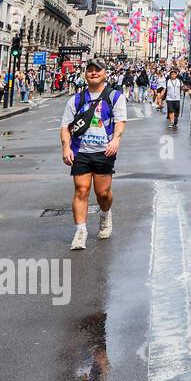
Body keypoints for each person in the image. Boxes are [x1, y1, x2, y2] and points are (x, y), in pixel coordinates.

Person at [60, 60, 127, 251]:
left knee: (103, 193)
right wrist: (66, 148)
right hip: (80, 151)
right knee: (81, 190)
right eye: (89, 70)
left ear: (105, 73)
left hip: (104, 151)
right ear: (85, 75)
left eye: (97, 70)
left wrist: (116, 140)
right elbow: (65, 127)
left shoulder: (114, 97)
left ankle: (105, 216)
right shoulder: (76, 100)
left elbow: (120, 122)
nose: (93, 73)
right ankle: (80, 232)